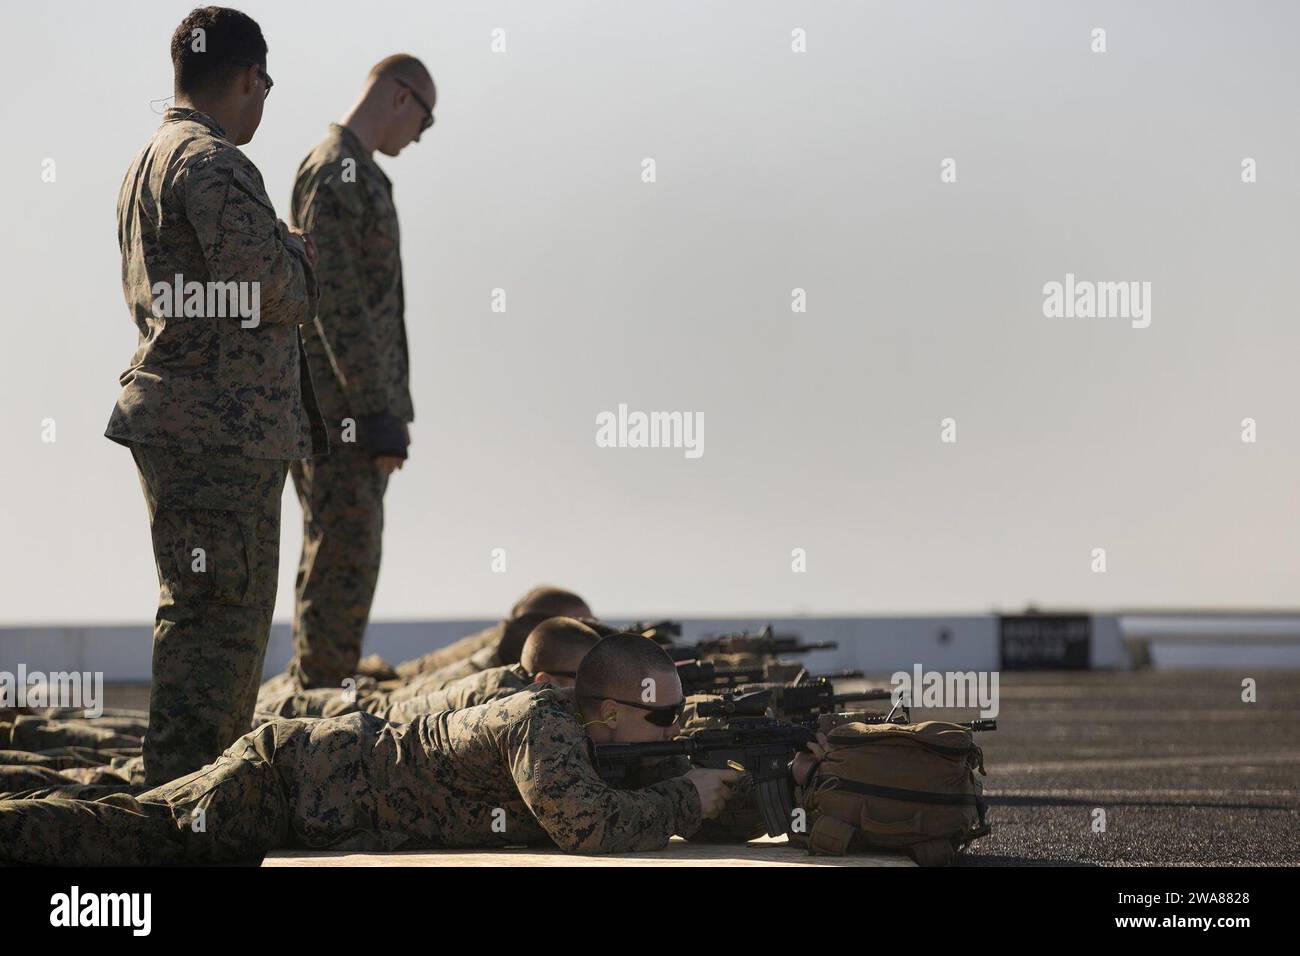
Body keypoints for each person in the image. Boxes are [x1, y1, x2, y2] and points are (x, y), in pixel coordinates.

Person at [104, 6, 324, 786]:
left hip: (189, 423)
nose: (264, 100)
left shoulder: (151, 158)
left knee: (201, 615)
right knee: (219, 635)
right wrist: (295, 258)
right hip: (218, 434)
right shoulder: (214, 162)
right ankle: (184, 814)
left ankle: (180, 802)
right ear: (245, 77)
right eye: (264, 83)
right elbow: (264, 288)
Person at [0, 635, 740, 864]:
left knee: (118, 805)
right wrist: (685, 797)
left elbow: (621, 788)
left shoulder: (582, 733)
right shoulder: (540, 721)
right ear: (609, 712)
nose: (675, 734)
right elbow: (589, 827)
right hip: (284, 782)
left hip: (306, 786)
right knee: (130, 836)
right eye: (667, 719)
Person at [285, 55, 435, 689]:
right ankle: (315, 704)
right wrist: (375, 411)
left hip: (351, 407)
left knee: (349, 552)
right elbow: (337, 304)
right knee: (342, 555)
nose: (421, 136)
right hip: (338, 410)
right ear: (401, 98)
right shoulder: (337, 171)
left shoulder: (356, 172)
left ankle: (322, 691)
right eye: (425, 120)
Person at [256, 617, 600, 722]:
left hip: (354, 710)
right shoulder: (505, 698)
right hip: (338, 713)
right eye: (586, 680)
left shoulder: (510, 679)